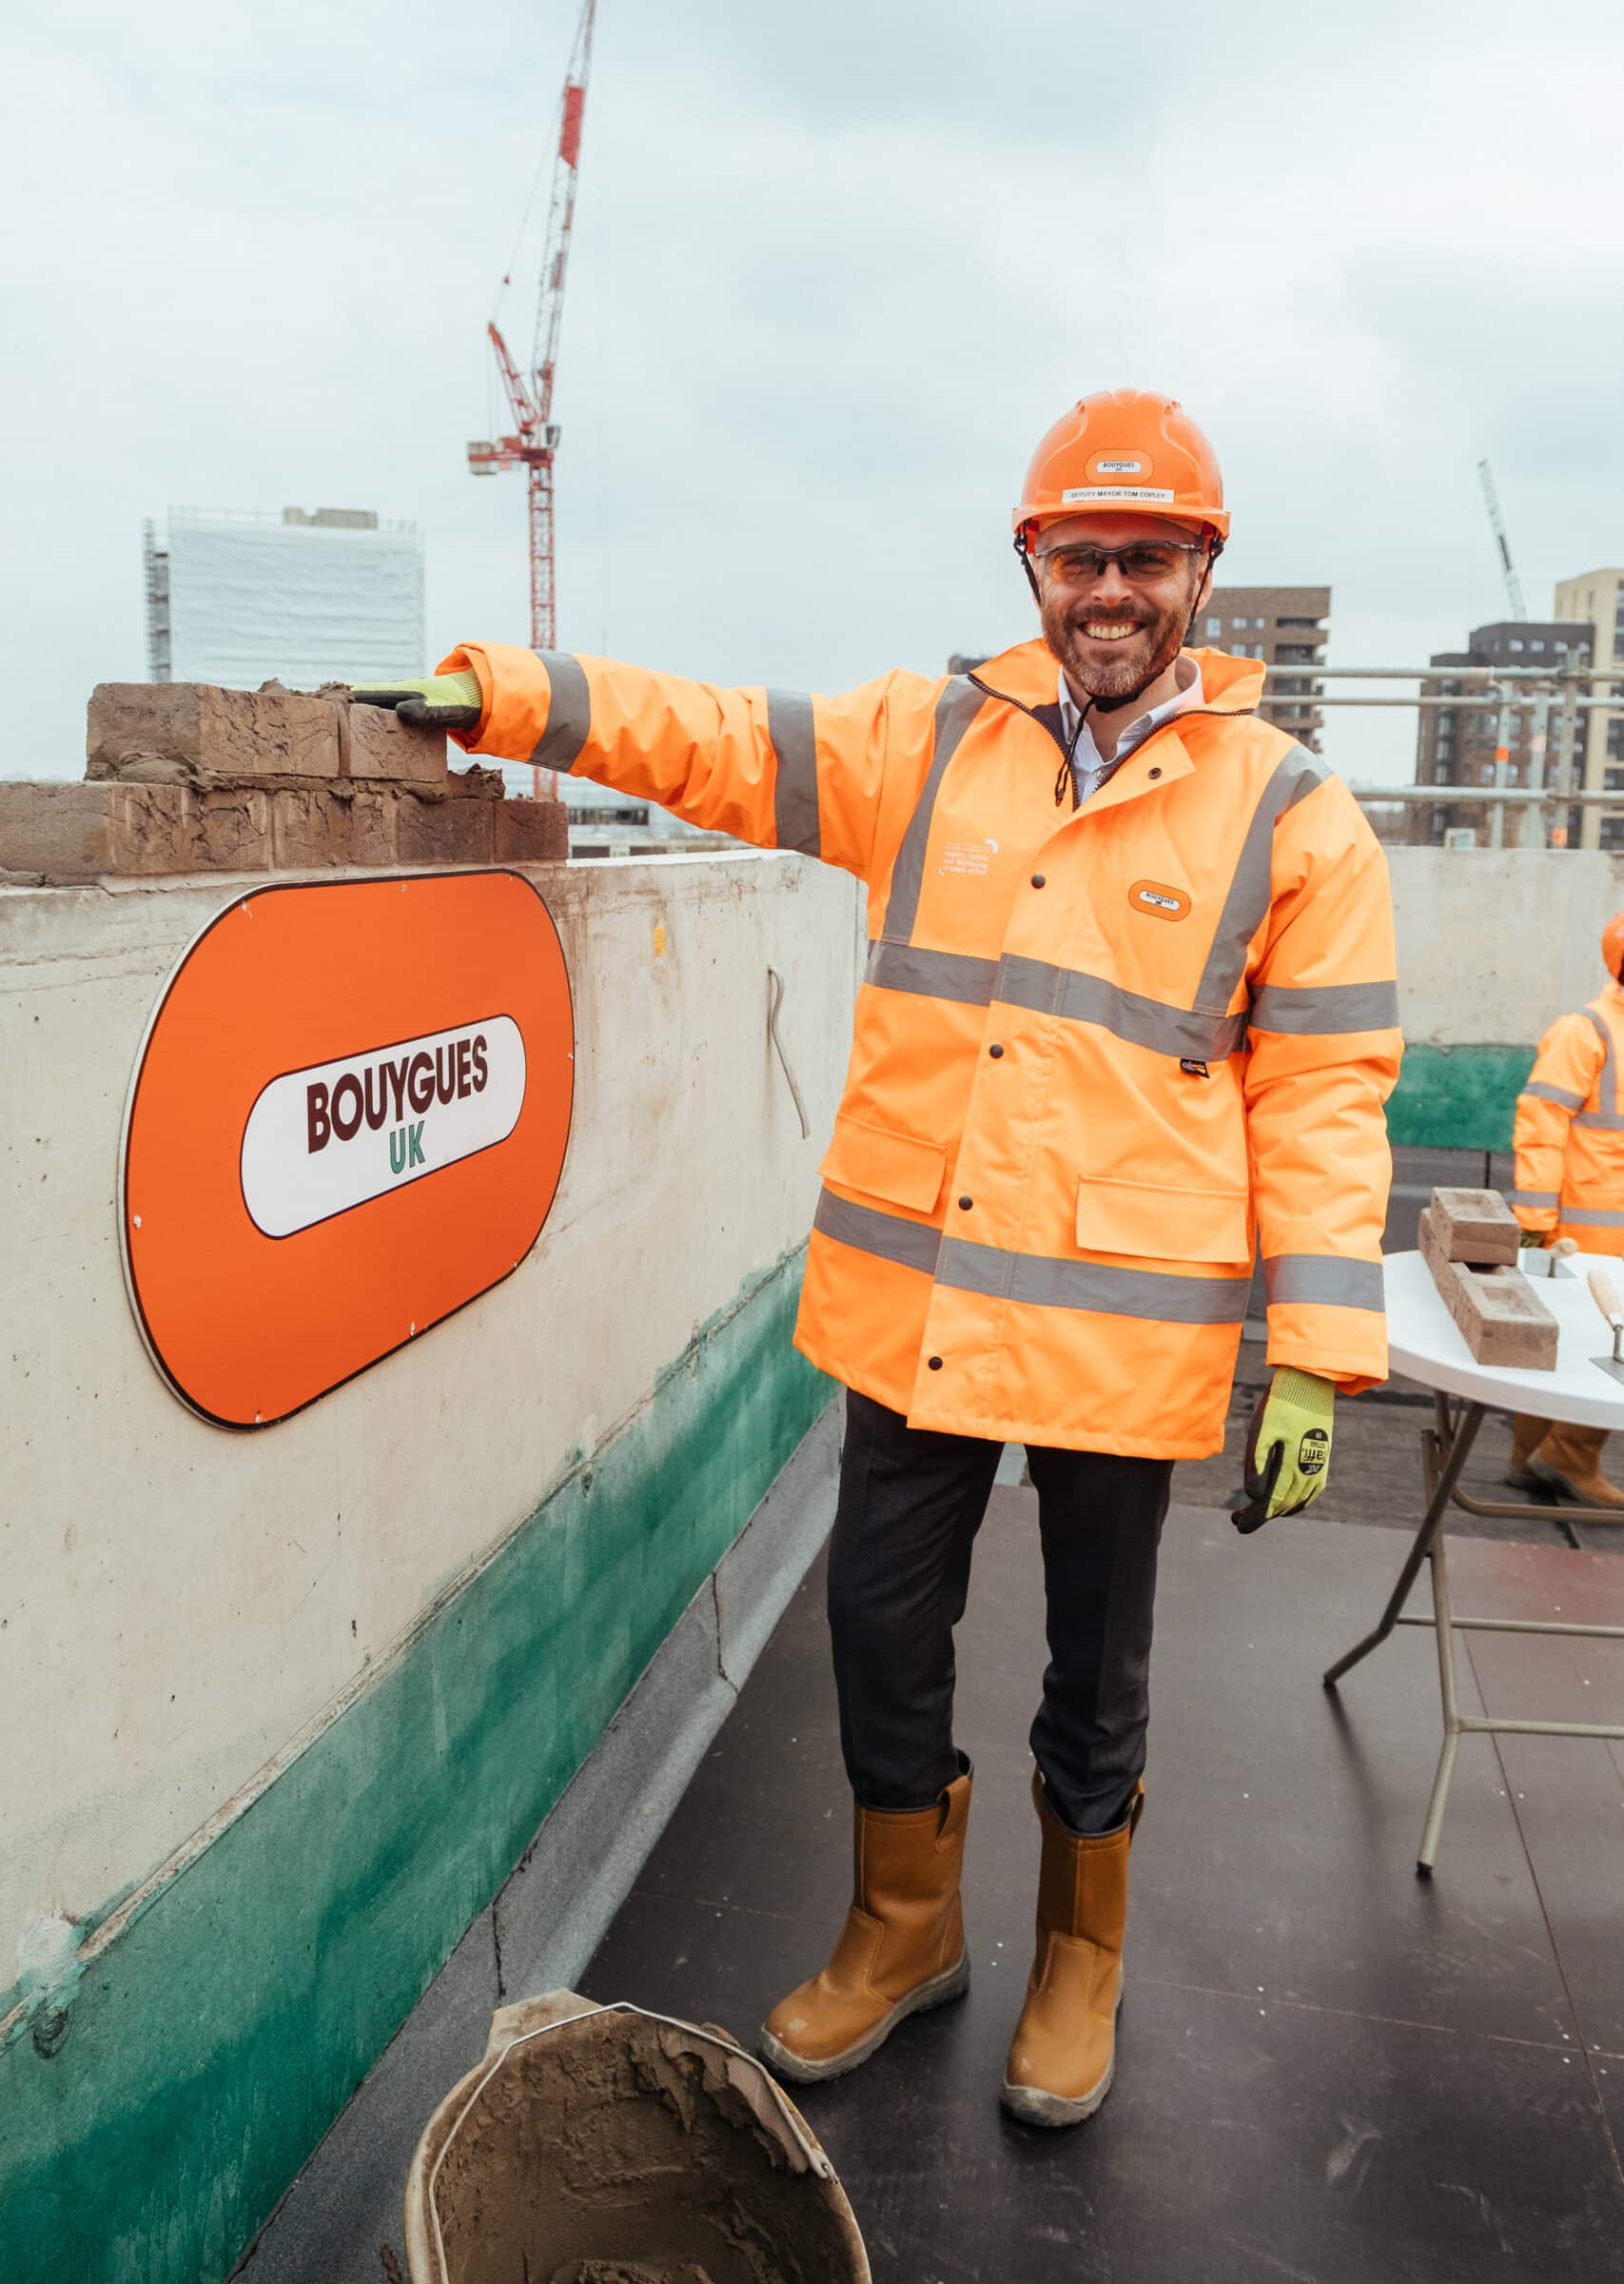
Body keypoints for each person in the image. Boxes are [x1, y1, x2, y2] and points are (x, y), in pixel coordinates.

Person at [357, 387, 1401, 2126]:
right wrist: (514, 696)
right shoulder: (928, 742)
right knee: (877, 1626)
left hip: (1116, 1337)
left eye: (1147, 557)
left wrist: (1316, 1348)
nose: (1112, 591)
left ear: (1201, 574)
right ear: (1035, 566)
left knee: (1097, 1658)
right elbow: (709, 736)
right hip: (914, 1301)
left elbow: (1325, 1092)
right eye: (1082, 557)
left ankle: (1079, 1960)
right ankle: (900, 1924)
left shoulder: (1293, 817)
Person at [1507, 915, 1624, 1507]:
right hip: (1584, 1228)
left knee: (1568, 1343)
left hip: (1601, 1224)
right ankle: (1566, 1455)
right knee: (1594, 1345)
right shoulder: (1589, 1030)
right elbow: (1541, 1121)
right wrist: (1533, 1216)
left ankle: (1530, 1456)